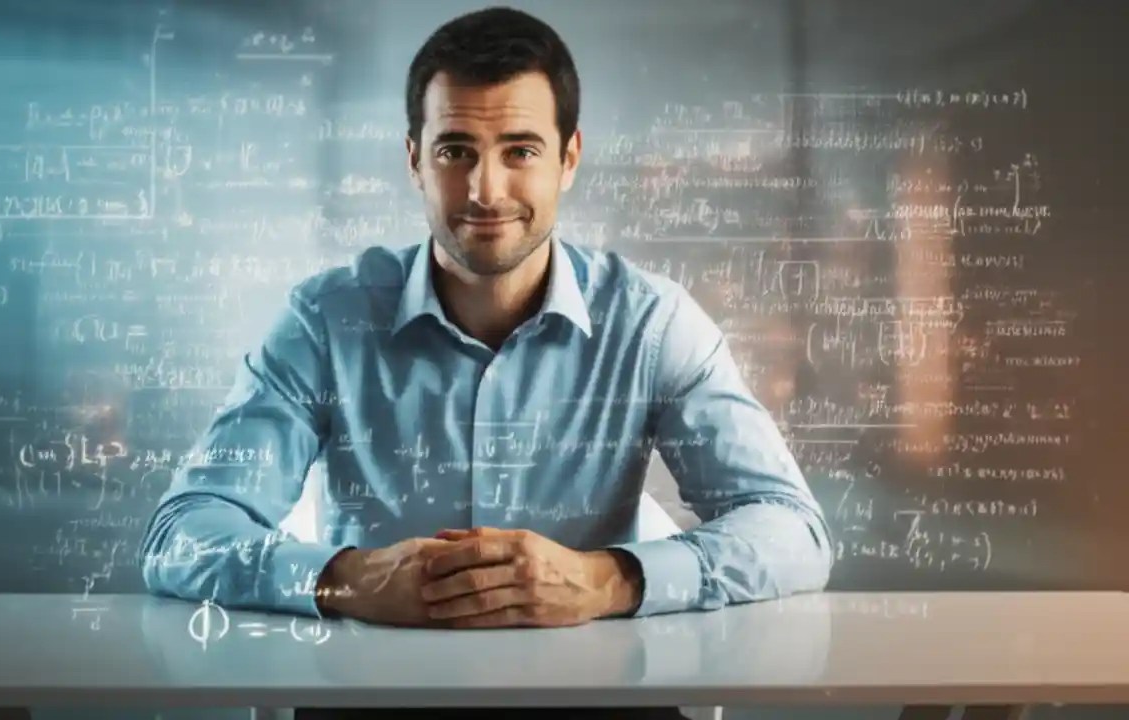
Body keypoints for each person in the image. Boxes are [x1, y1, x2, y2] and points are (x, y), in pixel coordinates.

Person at [139, 5, 834, 719]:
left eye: (520, 151)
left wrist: (606, 580)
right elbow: (183, 532)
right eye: (455, 151)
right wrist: (348, 580)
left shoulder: (652, 324)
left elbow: (792, 529)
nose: (485, 190)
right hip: (374, 704)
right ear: (415, 160)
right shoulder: (324, 321)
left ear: (569, 159)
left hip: (598, 706)